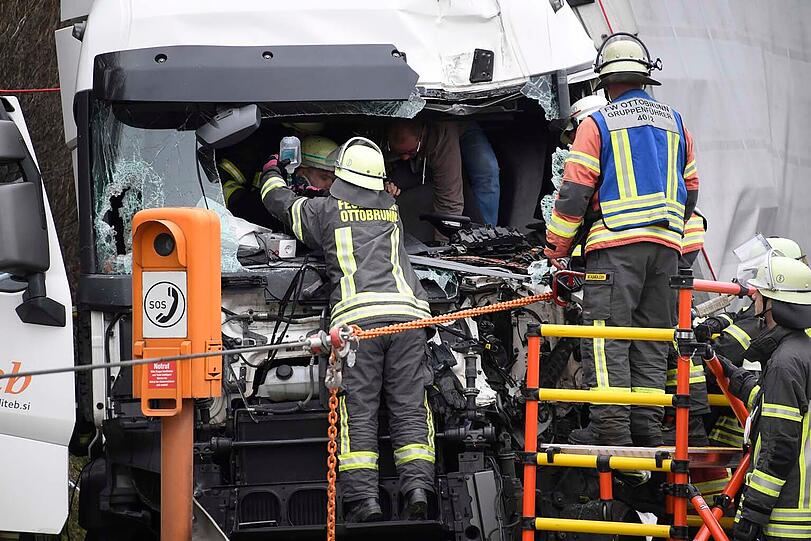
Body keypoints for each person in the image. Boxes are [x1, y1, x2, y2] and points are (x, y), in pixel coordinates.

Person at [258, 137, 435, 522]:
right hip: (409, 319)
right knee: (410, 407)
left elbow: (279, 202)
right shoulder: (391, 208)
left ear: (341, 174)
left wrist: (273, 170)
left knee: (358, 410)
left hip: (359, 326)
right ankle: (418, 489)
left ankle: (364, 500)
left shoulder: (324, 210)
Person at [544, 33, 700, 446]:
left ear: (604, 82)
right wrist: (664, 228)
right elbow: (691, 190)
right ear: (645, 77)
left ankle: (610, 430)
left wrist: (557, 250)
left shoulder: (596, 124)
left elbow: (574, 194)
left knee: (605, 337)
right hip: (666, 251)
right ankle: (646, 431)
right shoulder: (676, 123)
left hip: (614, 250)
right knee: (652, 340)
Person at [710, 253, 811, 541]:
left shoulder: (784, 363)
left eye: (759, 294)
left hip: (787, 519)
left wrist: (753, 511)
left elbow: (779, 446)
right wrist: (731, 373)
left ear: (772, 303)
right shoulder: (801, 353)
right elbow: (771, 405)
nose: (753, 299)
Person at [386, 119, 501, 226]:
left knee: (487, 171)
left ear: (423, 135)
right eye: (400, 153)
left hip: (459, 120)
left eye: (411, 152)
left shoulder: (441, 136)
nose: (405, 158)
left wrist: (446, 236)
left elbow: (450, 202)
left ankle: (486, 232)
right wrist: (386, 181)